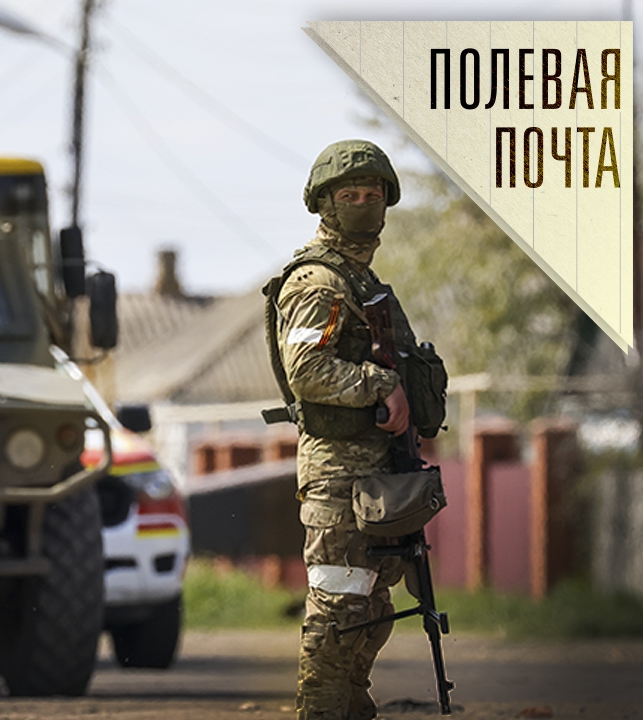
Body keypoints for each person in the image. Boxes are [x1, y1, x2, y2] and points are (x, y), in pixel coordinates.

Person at [272, 139, 412, 720]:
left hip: (376, 468)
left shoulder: (360, 280)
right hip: (337, 474)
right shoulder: (319, 283)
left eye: (372, 194)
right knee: (337, 610)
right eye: (349, 195)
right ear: (324, 205)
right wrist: (381, 385)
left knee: (371, 607)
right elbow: (305, 370)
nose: (362, 204)